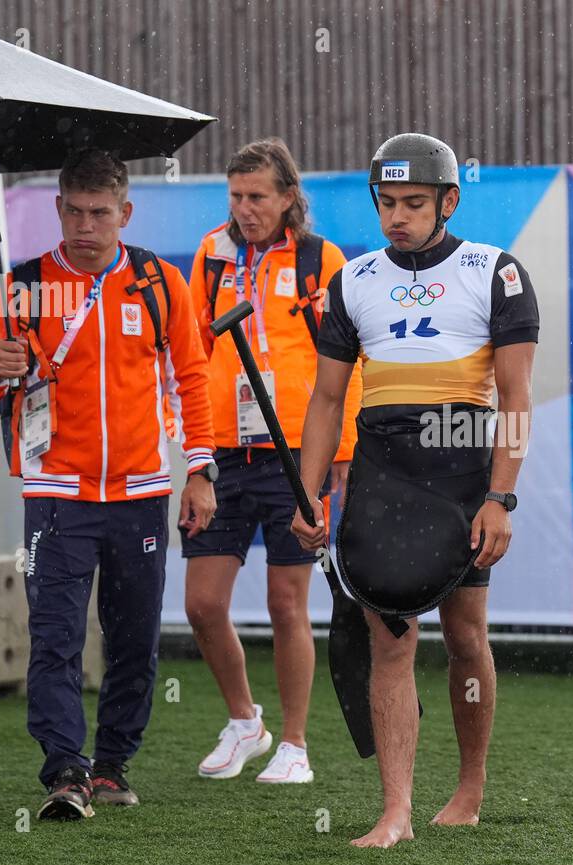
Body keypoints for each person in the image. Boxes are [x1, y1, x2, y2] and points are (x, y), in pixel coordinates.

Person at [291, 133, 538, 847]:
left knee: (465, 637)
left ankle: (468, 788)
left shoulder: (498, 273)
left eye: (413, 203)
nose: (396, 216)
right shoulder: (353, 279)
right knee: (390, 639)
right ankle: (395, 810)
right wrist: (310, 494)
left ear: (449, 201)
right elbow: (327, 401)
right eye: (386, 203)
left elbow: (516, 398)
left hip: (465, 471)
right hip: (385, 468)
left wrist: (503, 496)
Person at [0, 147, 218, 821]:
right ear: (57, 210)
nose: (84, 226)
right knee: (55, 635)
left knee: (134, 639)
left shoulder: (162, 283)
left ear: (124, 213)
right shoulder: (19, 288)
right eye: (72, 211)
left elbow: (193, 380)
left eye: (98, 213)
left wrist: (200, 469)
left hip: (138, 492)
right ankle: (64, 772)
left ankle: (112, 766)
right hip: (56, 492)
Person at [186, 138, 362, 783]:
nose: (245, 209)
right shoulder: (211, 256)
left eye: (257, 196)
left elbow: (349, 363)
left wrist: (340, 452)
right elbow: (194, 359)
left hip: (298, 453)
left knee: (287, 603)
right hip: (226, 452)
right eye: (235, 196)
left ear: (289, 197)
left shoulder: (322, 259)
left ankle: (294, 745)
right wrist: (196, 459)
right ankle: (245, 724)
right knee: (203, 603)